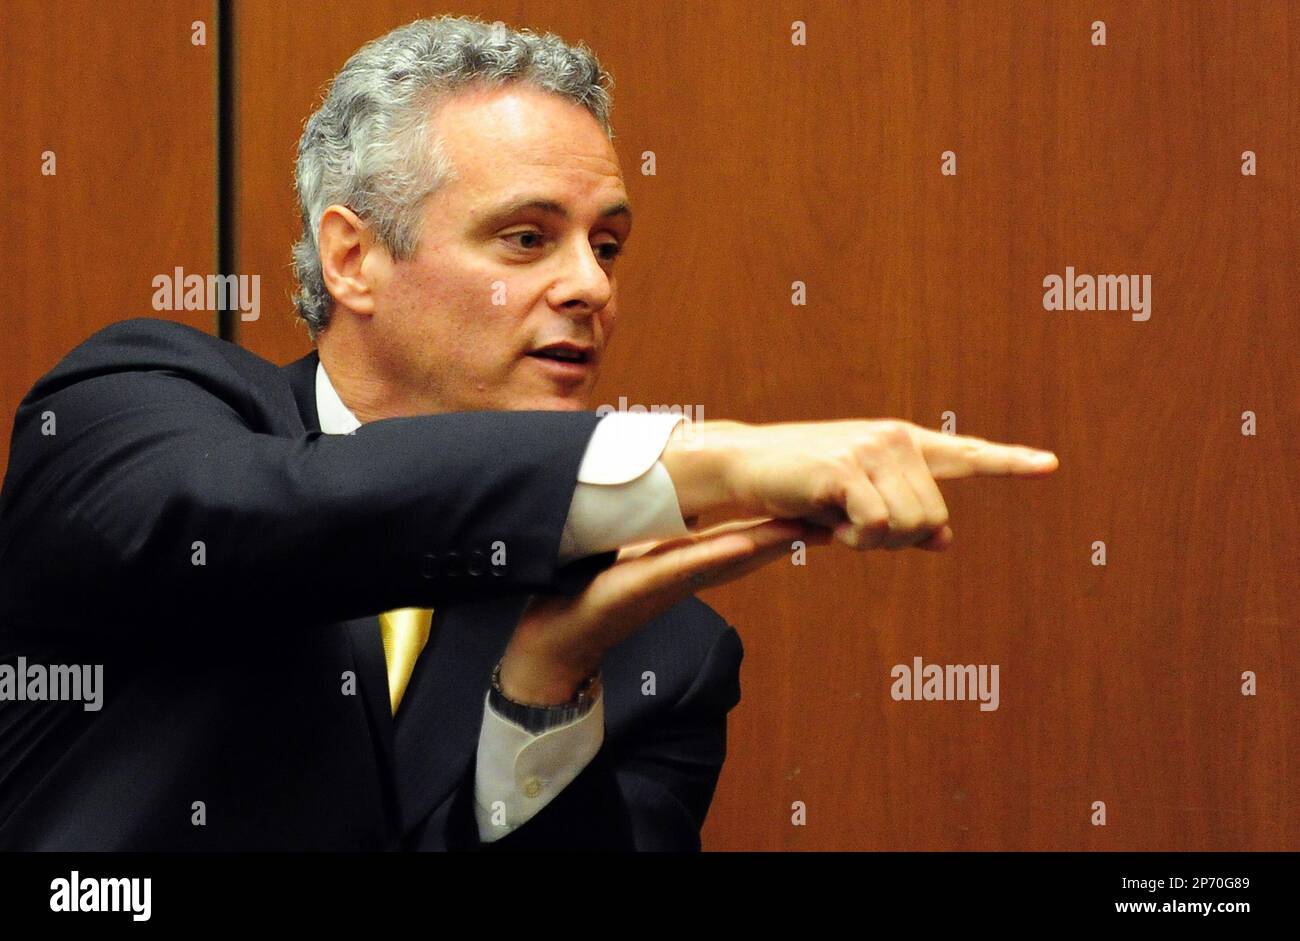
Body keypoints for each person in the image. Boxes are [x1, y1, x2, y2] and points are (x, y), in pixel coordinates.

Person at [0, 16, 1057, 851]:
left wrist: (544, 696)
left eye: (607, 244)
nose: (591, 285)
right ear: (352, 258)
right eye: (525, 237)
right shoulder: (137, 402)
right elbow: (264, 509)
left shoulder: (663, 646)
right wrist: (706, 457)